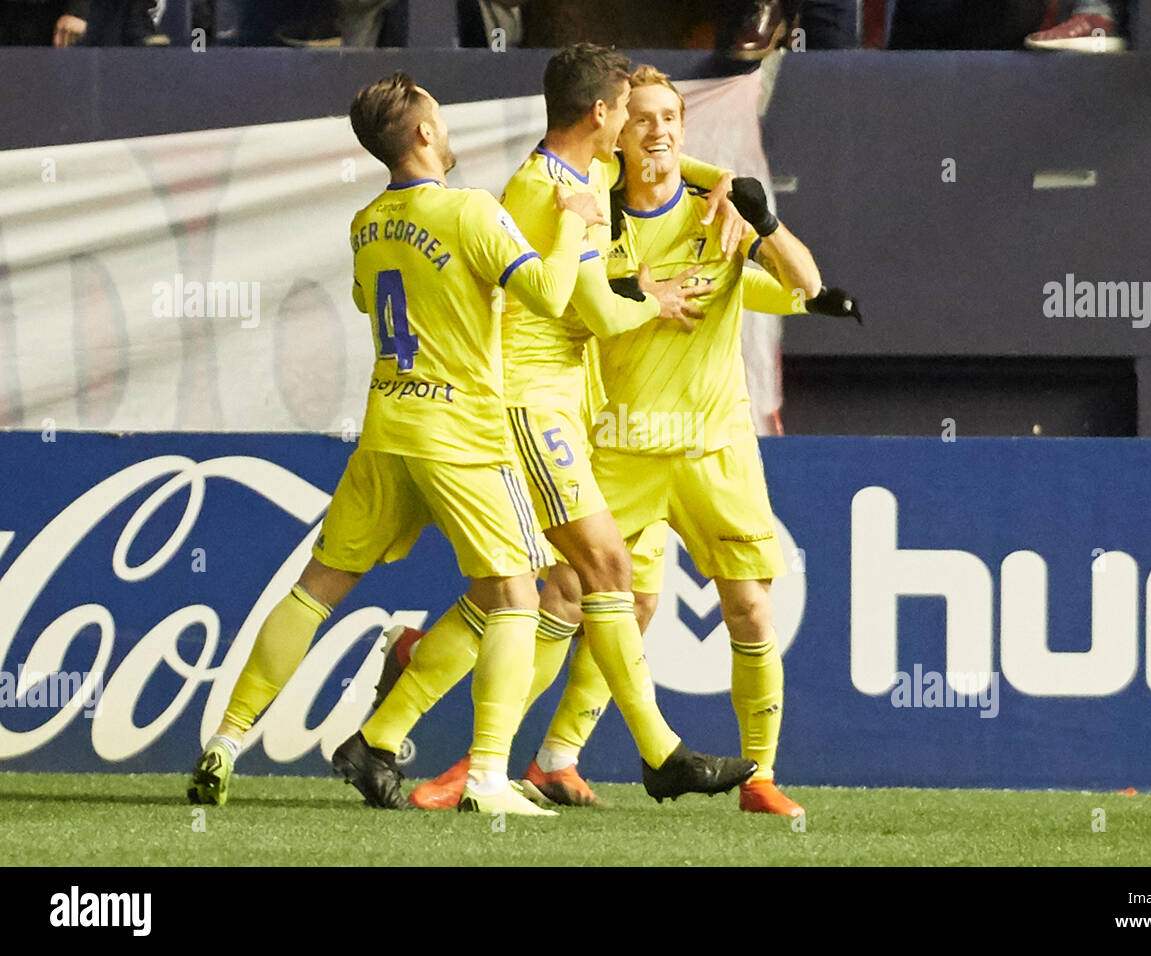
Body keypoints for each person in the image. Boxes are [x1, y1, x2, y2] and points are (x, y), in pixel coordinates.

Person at [187, 71, 604, 816]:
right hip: (463, 434)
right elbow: (548, 293)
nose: (444, 125)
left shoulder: (365, 223)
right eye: (437, 115)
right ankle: (486, 777)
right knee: (516, 595)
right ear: (421, 133)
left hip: (387, 427)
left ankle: (225, 741)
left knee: (317, 588)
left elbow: (371, 300)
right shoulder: (470, 209)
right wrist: (573, 218)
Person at [371, 43, 759, 810]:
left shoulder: (587, 175)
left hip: (558, 402)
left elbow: (671, 168)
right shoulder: (542, 189)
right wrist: (656, 299)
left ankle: (382, 733)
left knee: (523, 591)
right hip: (524, 403)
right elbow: (590, 311)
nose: (638, 127)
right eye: (627, 111)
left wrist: (728, 187)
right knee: (596, 574)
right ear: (600, 114)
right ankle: (653, 752)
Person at [565, 64, 854, 816]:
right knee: (573, 602)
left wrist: (766, 221)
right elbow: (565, 301)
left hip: (711, 450)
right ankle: (535, 760)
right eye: (642, 119)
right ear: (616, 134)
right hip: (621, 446)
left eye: (670, 117)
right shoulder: (591, 213)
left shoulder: (717, 214)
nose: (658, 130)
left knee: (748, 610)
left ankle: (758, 778)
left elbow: (806, 288)